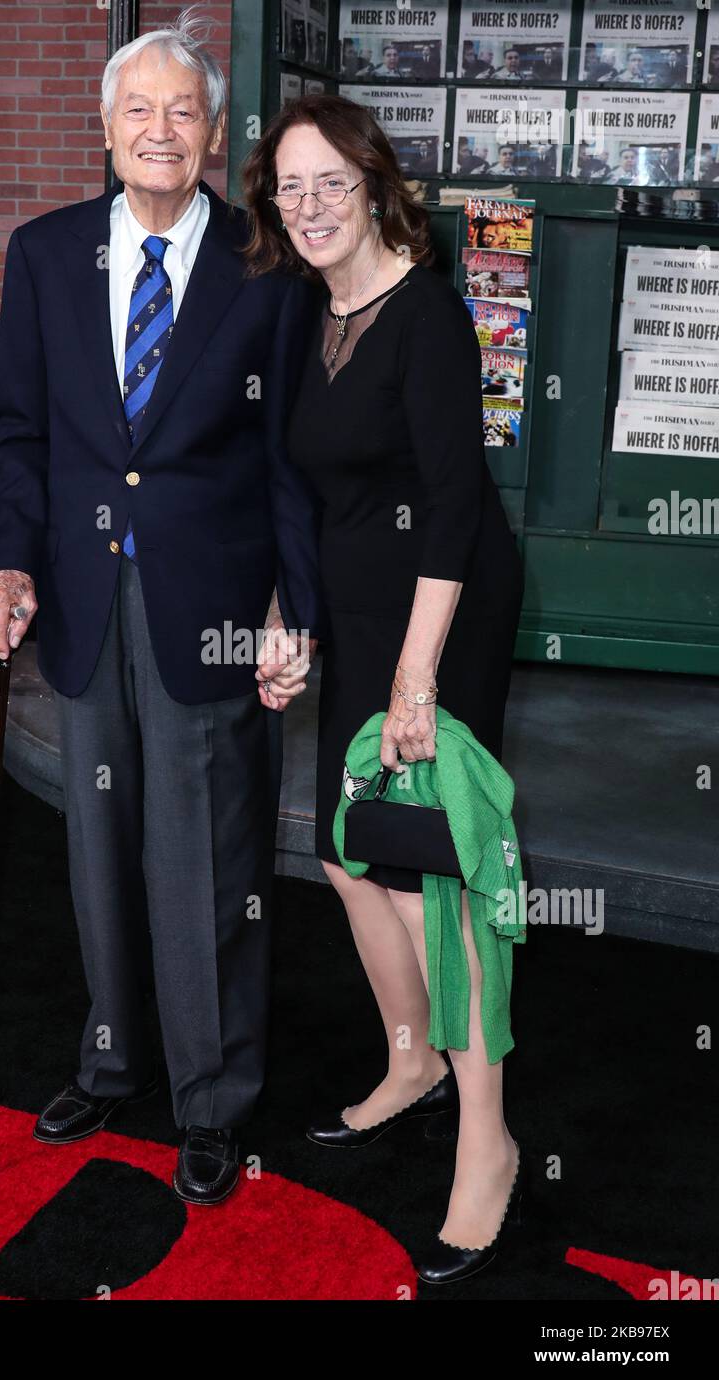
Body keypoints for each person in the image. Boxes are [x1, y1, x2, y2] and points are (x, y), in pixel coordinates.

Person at [0, 8, 322, 1207]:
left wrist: (292, 608)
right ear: (105, 129)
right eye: (138, 111)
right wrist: (9, 559)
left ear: (215, 134)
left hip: (208, 605)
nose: (159, 131)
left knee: (208, 858)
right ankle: (113, 1060)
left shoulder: (267, 269)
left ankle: (213, 1098)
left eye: (183, 112)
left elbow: (291, 464)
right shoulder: (46, 252)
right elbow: (23, 433)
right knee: (98, 848)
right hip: (75, 594)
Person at [241, 93, 526, 1283]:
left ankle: (487, 1137)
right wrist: (280, 617)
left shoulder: (428, 315)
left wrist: (415, 681)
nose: (307, 208)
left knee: (438, 884)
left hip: (440, 612)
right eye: (288, 188)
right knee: (350, 859)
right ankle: (410, 1059)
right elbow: (302, 494)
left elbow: (451, 507)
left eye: (328, 184)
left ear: (373, 184)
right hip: (354, 613)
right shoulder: (309, 309)